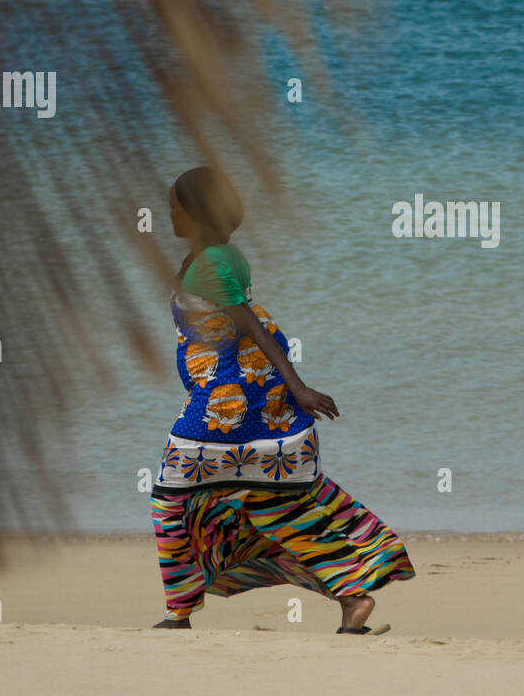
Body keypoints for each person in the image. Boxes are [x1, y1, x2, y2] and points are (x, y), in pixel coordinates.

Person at [150, 166, 415, 633]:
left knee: (170, 503)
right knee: (282, 510)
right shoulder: (226, 255)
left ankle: (180, 611)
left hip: (220, 417)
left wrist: (299, 388)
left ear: (194, 213)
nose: (167, 212)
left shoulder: (212, 262)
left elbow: (250, 325)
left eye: (174, 205)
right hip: (268, 422)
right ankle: (353, 599)